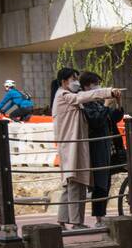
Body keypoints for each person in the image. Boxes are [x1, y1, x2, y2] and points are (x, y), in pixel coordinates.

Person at [51, 67, 122, 229]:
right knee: (76, 183)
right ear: (63, 82)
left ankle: (62, 222)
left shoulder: (64, 96)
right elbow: (84, 97)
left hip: (71, 145)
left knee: (70, 184)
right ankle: (77, 223)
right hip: (73, 146)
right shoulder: (64, 95)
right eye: (73, 79)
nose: (76, 82)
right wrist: (107, 92)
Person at [79, 72, 124, 226]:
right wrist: (105, 104)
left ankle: (102, 214)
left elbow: (114, 117)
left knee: (106, 181)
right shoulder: (86, 102)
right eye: (96, 83)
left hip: (108, 146)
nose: (98, 86)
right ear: (87, 86)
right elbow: (96, 121)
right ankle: (99, 217)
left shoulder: (97, 101)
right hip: (96, 146)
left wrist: (118, 102)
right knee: (100, 182)